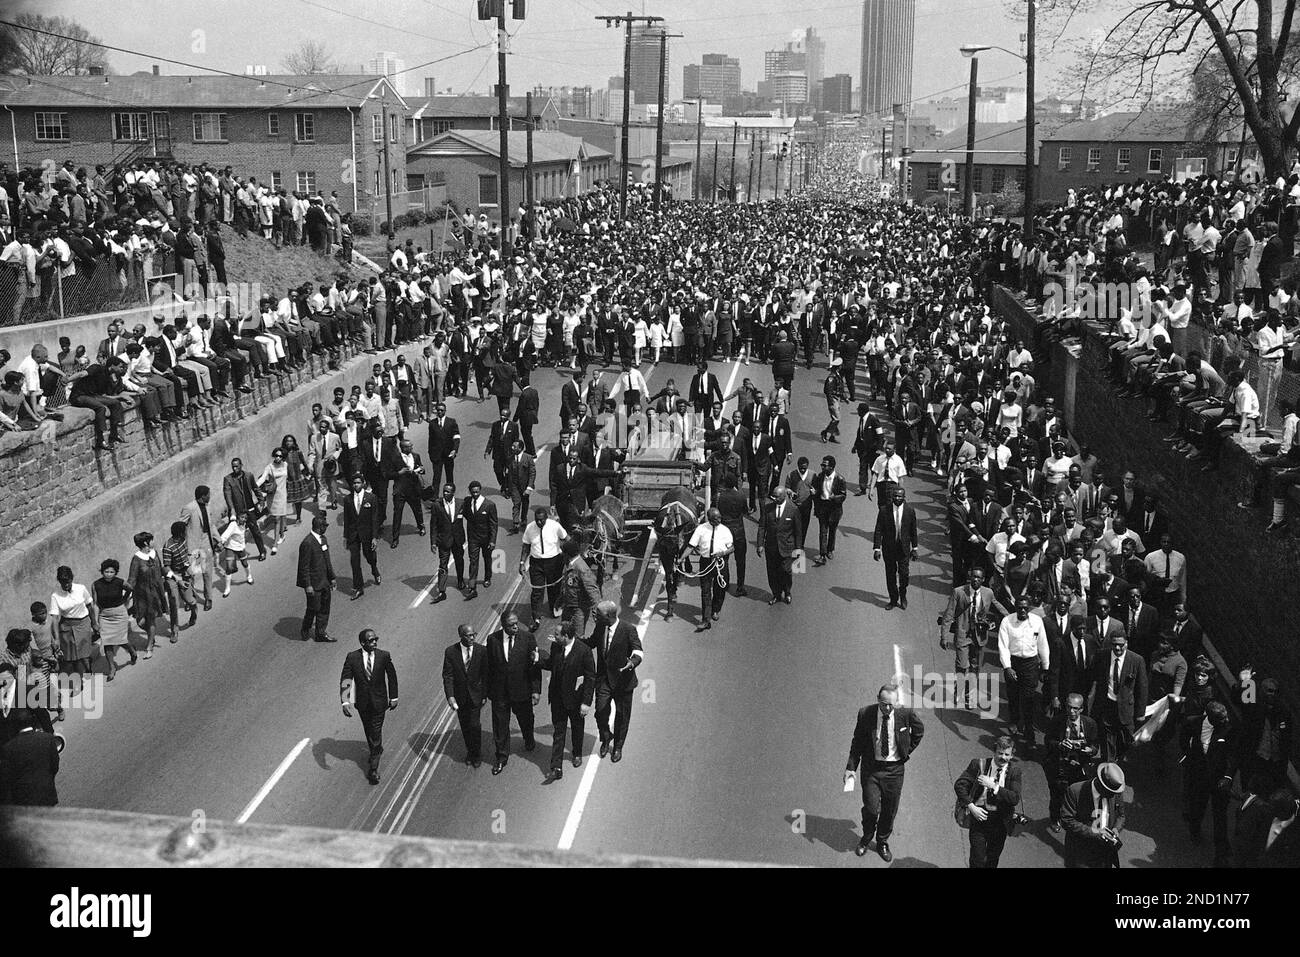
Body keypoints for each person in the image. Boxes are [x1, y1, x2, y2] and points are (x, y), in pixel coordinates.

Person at [844, 682, 924, 863]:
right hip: (871, 769)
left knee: (889, 810)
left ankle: (882, 842)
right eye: (883, 704)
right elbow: (857, 742)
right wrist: (850, 768)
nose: (887, 708)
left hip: (894, 771)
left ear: (897, 703)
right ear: (877, 700)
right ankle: (867, 836)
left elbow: (919, 731)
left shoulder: (906, 713)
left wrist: (906, 751)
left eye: (891, 704)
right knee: (871, 808)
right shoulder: (866, 714)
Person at [538, 619, 596, 781]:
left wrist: (586, 702)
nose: (554, 637)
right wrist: (538, 660)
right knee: (559, 732)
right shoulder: (556, 646)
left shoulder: (584, 651)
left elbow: (591, 678)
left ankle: (577, 753)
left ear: (566, 636)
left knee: (577, 728)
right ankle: (556, 766)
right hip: (557, 699)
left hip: (576, 700)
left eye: (557, 634)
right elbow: (552, 664)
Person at [954, 736, 1023, 868]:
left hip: (1000, 823)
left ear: (1012, 755)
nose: (1003, 757)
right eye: (1000, 753)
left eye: (1007, 754)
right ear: (994, 751)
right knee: (977, 859)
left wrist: (993, 786)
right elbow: (960, 785)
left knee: (992, 859)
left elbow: (1014, 798)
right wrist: (971, 806)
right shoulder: (978, 764)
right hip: (979, 819)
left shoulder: (1014, 772)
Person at [339, 628, 398, 785]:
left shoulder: (383, 656)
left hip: (380, 702)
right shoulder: (352, 658)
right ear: (362, 643)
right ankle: (376, 749)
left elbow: (392, 676)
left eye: (375, 639)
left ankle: (373, 768)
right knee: (368, 729)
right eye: (371, 641)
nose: (374, 643)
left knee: (375, 731)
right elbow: (346, 679)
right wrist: (345, 701)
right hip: (363, 703)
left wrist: (394, 697)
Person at [1182, 699, 1237, 864]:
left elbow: (1233, 755)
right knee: (1197, 807)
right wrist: (1189, 758)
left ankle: (1221, 853)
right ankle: (1195, 831)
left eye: (1226, 717)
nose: (1226, 720)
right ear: (1210, 717)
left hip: (1220, 780)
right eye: (1222, 718)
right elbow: (1183, 742)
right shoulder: (1192, 723)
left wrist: (1228, 777)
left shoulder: (1229, 730)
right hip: (1199, 776)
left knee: (1220, 815)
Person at [485, 612, 540, 775]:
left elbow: (534, 666)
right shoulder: (492, 640)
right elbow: (489, 667)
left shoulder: (528, 638)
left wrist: (535, 690)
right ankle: (501, 757)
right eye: (511, 625)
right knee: (500, 726)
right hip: (500, 692)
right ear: (503, 625)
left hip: (521, 690)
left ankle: (528, 738)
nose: (516, 626)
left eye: (516, 623)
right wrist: (487, 691)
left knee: (526, 719)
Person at [588, 600, 643, 763]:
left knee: (622, 715)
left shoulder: (628, 629)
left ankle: (618, 746)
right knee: (600, 712)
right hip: (604, 679)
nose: (595, 616)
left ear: (608, 616)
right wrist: (570, 641)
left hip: (623, 682)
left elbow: (638, 650)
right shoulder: (600, 627)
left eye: (598, 614)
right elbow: (591, 642)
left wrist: (632, 662)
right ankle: (606, 737)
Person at [998, 595, 1051, 748]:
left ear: (1029, 608)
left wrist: (1045, 667)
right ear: (1015, 607)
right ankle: (1014, 720)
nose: (1022, 610)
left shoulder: (1037, 621)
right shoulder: (1007, 621)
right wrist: (1007, 667)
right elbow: (1003, 646)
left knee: (1028, 698)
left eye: (1025, 608)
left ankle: (1029, 732)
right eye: (1019, 607)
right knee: (1013, 695)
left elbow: (1043, 645)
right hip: (1013, 662)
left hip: (1030, 664)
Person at [1043, 692, 1101, 831]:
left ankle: (1073, 818)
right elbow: (1048, 741)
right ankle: (1055, 818)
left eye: (1075, 708)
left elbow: (1095, 745)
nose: (1071, 711)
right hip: (1060, 766)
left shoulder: (1089, 724)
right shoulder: (1057, 721)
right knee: (1057, 795)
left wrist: (1091, 751)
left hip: (1080, 767)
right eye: (1069, 707)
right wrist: (1060, 745)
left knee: (1078, 795)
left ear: (1081, 709)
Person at [939, 566, 996, 707]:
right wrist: (944, 637)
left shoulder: (988, 593)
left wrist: (1012, 615)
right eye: (973, 576)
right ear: (970, 577)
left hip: (979, 636)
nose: (975, 579)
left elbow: (997, 606)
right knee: (962, 665)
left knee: (975, 668)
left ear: (983, 580)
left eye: (979, 577)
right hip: (963, 634)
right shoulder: (958, 592)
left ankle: (970, 696)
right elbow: (948, 615)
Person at [1087, 632, 1147, 762]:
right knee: (1107, 737)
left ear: (1126, 643)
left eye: (1121, 645)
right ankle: (1108, 765)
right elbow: (1093, 677)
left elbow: (1142, 688)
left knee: (1126, 739)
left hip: (1126, 708)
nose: (1118, 649)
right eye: (1114, 645)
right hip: (1107, 704)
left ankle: (1119, 758)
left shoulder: (1136, 660)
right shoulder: (1102, 656)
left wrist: (1140, 713)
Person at [1061, 762, 1126, 868]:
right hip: (1081, 852)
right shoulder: (1075, 791)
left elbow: (1121, 816)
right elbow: (1067, 820)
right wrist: (1095, 833)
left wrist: (1115, 829)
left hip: (1105, 853)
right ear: (1100, 783)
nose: (1113, 796)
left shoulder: (1115, 791)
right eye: (1109, 792)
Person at [443, 623, 488, 767]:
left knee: (474, 725)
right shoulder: (451, 652)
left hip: (476, 696)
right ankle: (471, 751)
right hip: (460, 697)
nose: (473, 638)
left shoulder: (481, 651)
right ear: (461, 636)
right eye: (469, 635)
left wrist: (484, 694)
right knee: (465, 726)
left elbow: (486, 674)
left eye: (474, 634)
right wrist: (450, 696)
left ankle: (477, 753)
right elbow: (448, 676)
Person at [519, 506, 568, 631]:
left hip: (554, 562)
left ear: (546, 518)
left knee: (554, 589)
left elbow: (566, 539)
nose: (539, 522)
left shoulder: (555, 526)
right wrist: (522, 563)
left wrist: (572, 557)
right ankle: (536, 617)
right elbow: (525, 547)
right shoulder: (530, 528)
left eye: (542, 520)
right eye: (537, 520)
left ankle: (554, 608)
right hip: (536, 564)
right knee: (537, 591)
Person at [0, 709, 60, 806]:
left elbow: (7, 778)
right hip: (47, 794)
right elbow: (54, 766)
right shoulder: (47, 739)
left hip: (23, 800)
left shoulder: (8, 749)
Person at [688, 507, 734, 630]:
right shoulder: (701, 529)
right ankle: (705, 619)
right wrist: (681, 559)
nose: (719, 520)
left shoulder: (725, 530)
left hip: (720, 563)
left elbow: (732, 548)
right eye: (716, 518)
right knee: (705, 591)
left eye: (720, 517)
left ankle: (716, 609)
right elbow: (691, 545)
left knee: (721, 588)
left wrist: (722, 553)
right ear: (709, 519)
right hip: (706, 562)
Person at [873, 486, 919, 609]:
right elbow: (878, 530)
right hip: (889, 549)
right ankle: (893, 599)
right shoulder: (884, 510)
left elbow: (913, 531)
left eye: (900, 496)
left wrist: (915, 548)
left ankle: (903, 594)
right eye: (895, 496)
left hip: (903, 549)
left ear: (904, 498)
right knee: (890, 575)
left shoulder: (910, 511)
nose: (897, 498)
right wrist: (876, 548)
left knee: (904, 575)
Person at [757, 486, 802, 605]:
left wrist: (798, 549)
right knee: (772, 572)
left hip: (787, 547)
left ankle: (787, 591)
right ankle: (776, 594)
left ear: (783, 496)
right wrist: (760, 544)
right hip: (771, 547)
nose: (774, 498)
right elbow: (762, 527)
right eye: (773, 496)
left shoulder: (793, 509)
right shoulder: (767, 508)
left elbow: (798, 531)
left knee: (786, 571)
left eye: (776, 496)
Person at [91, 559, 135, 680]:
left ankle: (131, 651)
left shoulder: (120, 582)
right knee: (107, 641)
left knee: (121, 640)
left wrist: (124, 600)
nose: (109, 574)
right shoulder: (96, 585)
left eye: (112, 572)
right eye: (106, 571)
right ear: (102, 571)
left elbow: (130, 589)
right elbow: (95, 604)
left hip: (119, 614)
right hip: (104, 615)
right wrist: (95, 621)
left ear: (115, 572)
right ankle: (112, 667)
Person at [296, 514, 336, 642]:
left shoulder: (323, 539)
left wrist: (332, 578)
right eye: (324, 526)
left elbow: (327, 560)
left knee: (324, 608)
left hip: (324, 581)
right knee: (313, 608)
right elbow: (304, 567)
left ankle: (320, 633)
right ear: (319, 527)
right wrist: (307, 585)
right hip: (313, 584)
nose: (326, 528)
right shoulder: (307, 543)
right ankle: (305, 628)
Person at [342, 473, 381, 601]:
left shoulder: (371, 498)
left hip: (367, 534)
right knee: (354, 561)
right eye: (354, 483)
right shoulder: (347, 500)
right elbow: (346, 520)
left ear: (363, 483)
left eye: (358, 482)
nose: (356, 485)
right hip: (353, 534)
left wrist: (374, 537)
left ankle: (374, 570)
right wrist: (345, 536)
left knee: (369, 555)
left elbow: (375, 518)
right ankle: (358, 587)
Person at [383, 437, 426, 546]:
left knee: (417, 510)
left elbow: (421, 468)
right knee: (397, 514)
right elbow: (387, 474)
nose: (412, 447)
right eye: (409, 446)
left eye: (411, 446)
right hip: (400, 491)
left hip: (413, 489)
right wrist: (399, 473)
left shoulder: (416, 456)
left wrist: (420, 470)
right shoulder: (394, 458)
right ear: (403, 448)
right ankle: (395, 538)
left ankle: (421, 526)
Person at [429, 483, 466, 603]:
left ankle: (460, 580)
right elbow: (433, 525)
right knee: (443, 565)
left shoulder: (461, 503)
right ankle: (442, 591)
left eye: (448, 492)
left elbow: (470, 518)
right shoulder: (437, 505)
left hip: (458, 539)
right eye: (444, 491)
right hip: (444, 540)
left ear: (453, 493)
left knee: (459, 560)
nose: (445, 493)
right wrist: (433, 542)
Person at [463, 481, 498, 599]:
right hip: (473, 538)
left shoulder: (489, 505)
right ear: (470, 491)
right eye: (473, 492)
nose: (475, 494)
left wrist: (492, 540)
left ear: (480, 490)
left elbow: (494, 524)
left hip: (486, 539)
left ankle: (487, 577)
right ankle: (472, 587)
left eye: (477, 492)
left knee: (487, 559)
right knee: (473, 561)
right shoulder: (467, 502)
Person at [811, 454, 847, 565]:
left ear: (831, 467)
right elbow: (816, 489)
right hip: (823, 507)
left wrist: (834, 497)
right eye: (822, 465)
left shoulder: (840, 479)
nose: (822, 467)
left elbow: (843, 495)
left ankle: (830, 549)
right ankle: (822, 554)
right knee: (823, 531)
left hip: (834, 509)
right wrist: (815, 492)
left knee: (832, 531)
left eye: (824, 465)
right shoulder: (820, 476)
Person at [257, 446, 290, 553]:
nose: (278, 458)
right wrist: (255, 486)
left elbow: (288, 478)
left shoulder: (286, 465)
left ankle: (278, 540)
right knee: (276, 518)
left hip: (283, 494)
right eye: (276, 455)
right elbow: (262, 478)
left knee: (279, 517)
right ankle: (278, 538)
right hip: (273, 497)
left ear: (283, 457)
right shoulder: (269, 467)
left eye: (280, 456)